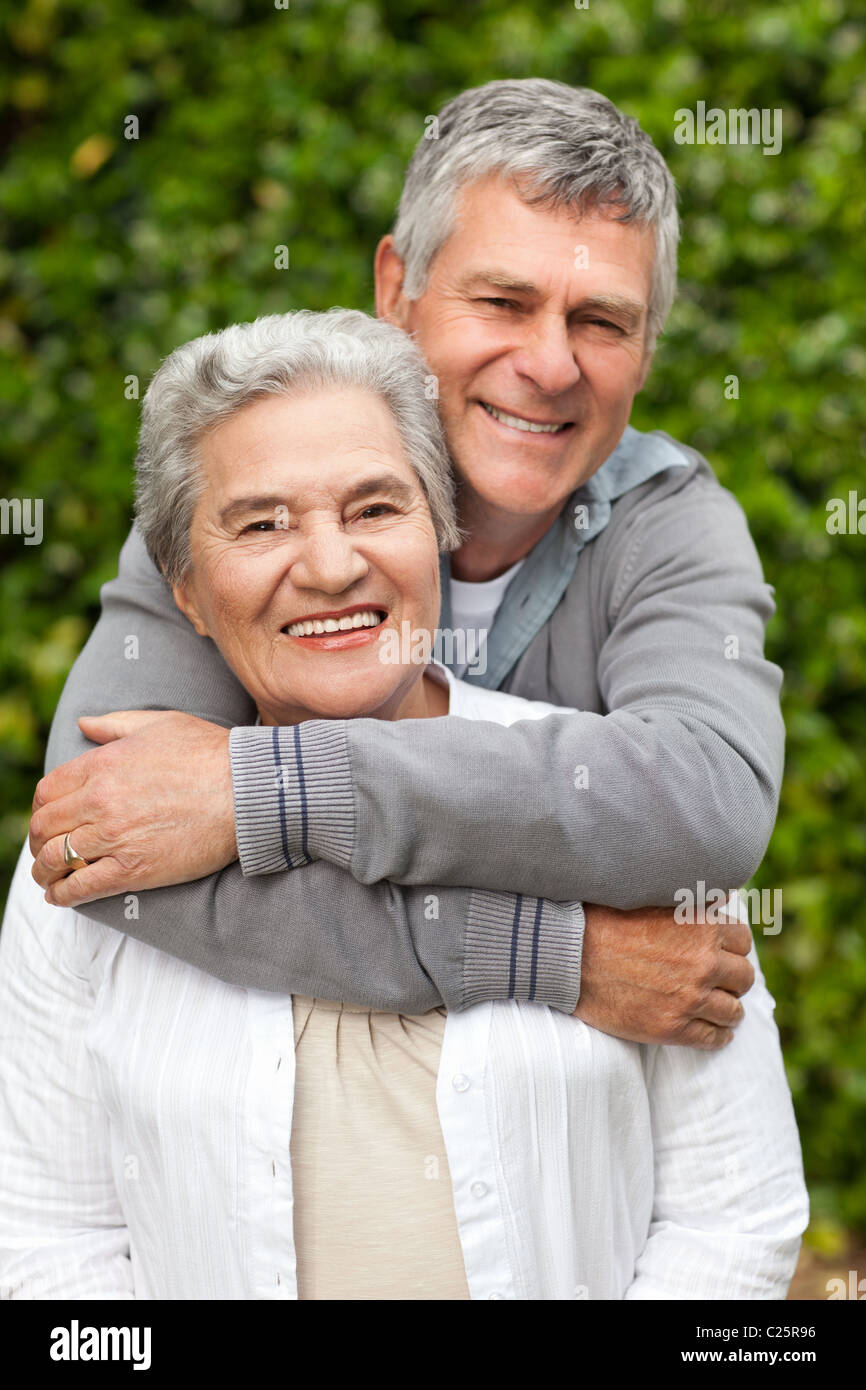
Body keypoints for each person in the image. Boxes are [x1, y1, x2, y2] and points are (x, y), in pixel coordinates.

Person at [0, 311, 808, 1300]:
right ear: (186, 592)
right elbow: (46, 1240)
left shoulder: (612, 817)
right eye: (262, 523)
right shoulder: (109, 839)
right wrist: (562, 958)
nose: (331, 565)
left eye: (376, 508)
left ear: (441, 534)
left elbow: (733, 1220)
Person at [30, 79, 785, 1045]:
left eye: (602, 320)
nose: (551, 365)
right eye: (503, 301)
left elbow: (704, 807)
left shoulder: (670, 524)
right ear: (398, 291)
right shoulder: (250, 488)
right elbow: (96, 834)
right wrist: (553, 956)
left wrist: (258, 791)